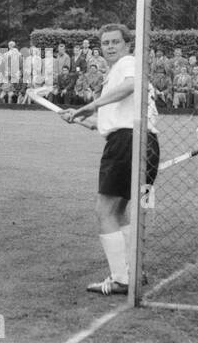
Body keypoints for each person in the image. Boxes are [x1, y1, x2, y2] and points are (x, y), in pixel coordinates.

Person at [62, 23, 159, 294]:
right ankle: (132, 270)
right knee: (119, 211)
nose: (110, 47)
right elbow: (105, 122)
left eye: (115, 42)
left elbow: (130, 87)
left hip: (128, 142)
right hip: (141, 142)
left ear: (127, 44)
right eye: (105, 43)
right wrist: (78, 117)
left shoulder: (127, 64)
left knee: (104, 211)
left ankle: (122, 278)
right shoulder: (117, 72)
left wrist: (92, 104)